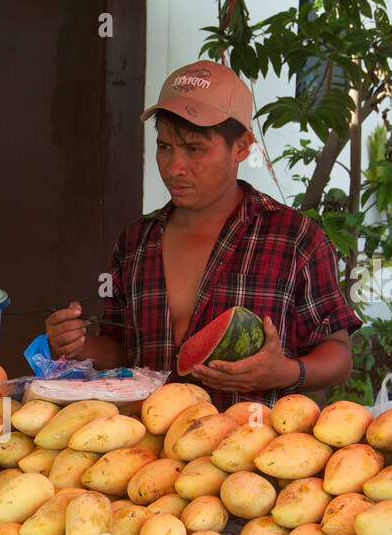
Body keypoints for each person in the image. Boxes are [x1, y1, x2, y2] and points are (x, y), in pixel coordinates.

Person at [46, 60, 359, 408]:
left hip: (249, 452)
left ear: (241, 147)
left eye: (194, 149)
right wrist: (79, 345)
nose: (174, 167)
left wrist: (286, 372)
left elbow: (339, 354)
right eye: (165, 147)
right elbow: (122, 350)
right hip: (147, 453)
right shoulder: (135, 243)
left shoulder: (295, 238)